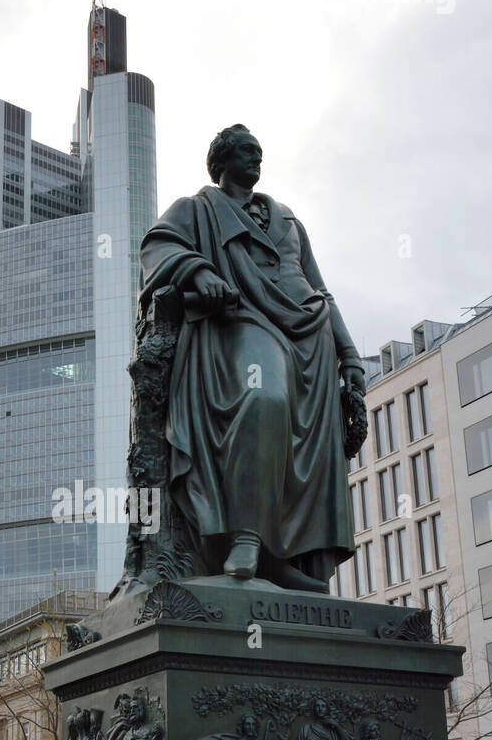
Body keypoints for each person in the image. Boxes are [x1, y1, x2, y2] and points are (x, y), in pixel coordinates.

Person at [136, 125, 365, 593]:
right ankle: (244, 538)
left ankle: (279, 555)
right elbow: (157, 246)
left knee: (308, 446)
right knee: (265, 400)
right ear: (221, 161)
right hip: (241, 321)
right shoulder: (196, 208)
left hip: (310, 336)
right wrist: (198, 270)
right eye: (246, 152)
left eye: (260, 152)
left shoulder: (288, 220)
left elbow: (321, 290)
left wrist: (351, 356)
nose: (257, 159)